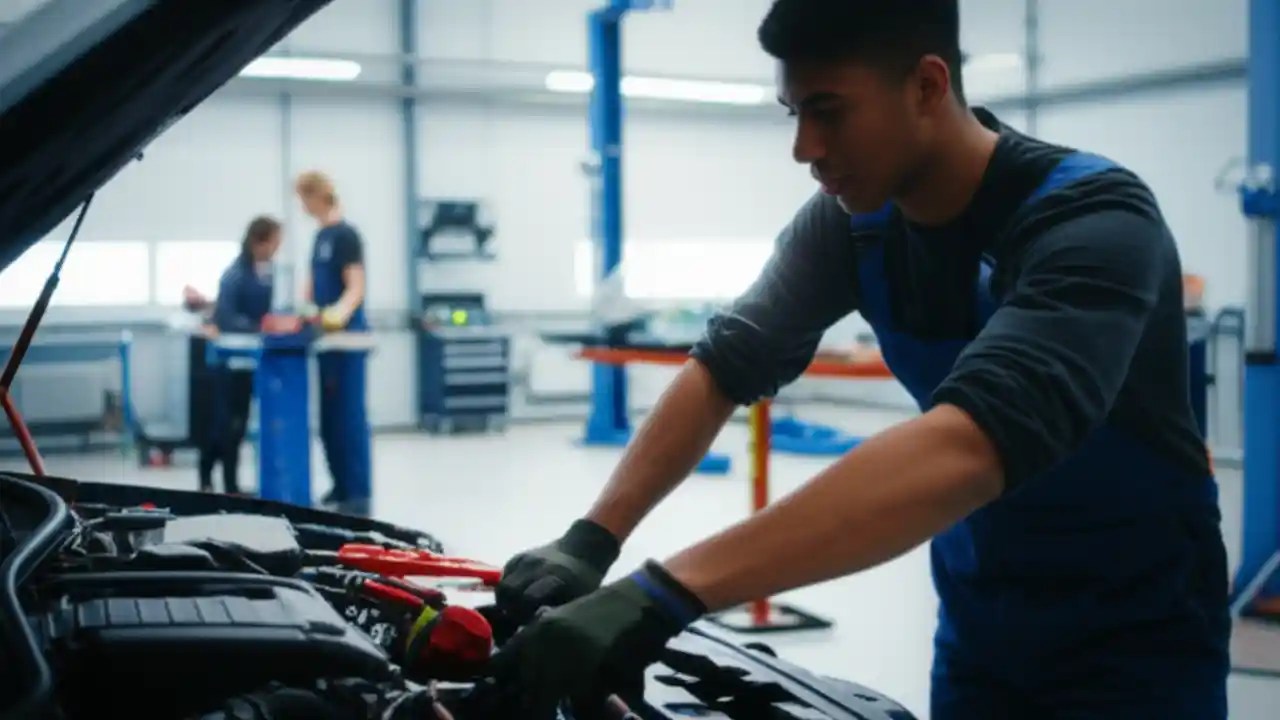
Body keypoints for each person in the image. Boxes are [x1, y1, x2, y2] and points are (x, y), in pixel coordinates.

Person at [489, 1, 1230, 718]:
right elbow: (723, 366)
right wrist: (594, 539)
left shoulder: (1094, 221)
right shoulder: (853, 226)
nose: (804, 148)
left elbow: (973, 443)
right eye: (794, 114)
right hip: (982, 617)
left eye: (829, 110)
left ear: (928, 86)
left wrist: (662, 595)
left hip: (1138, 629)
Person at [295, 170, 372, 517]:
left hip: (347, 339)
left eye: (304, 199)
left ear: (317, 196)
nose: (302, 206)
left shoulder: (346, 235)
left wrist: (338, 313)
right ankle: (340, 484)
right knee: (329, 420)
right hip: (325, 341)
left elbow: (356, 287)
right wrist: (304, 309)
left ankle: (357, 492)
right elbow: (311, 286)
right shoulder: (320, 236)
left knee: (349, 418)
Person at [198, 215, 281, 494]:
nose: (277, 248)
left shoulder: (264, 272)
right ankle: (216, 480)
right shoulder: (234, 274)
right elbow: (225, 317)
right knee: (226, 425)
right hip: (228, 362)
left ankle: (229, 484)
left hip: (248, 361)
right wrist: (258, 326)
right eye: (274, 241)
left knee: (239, 425)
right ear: (259, 241)